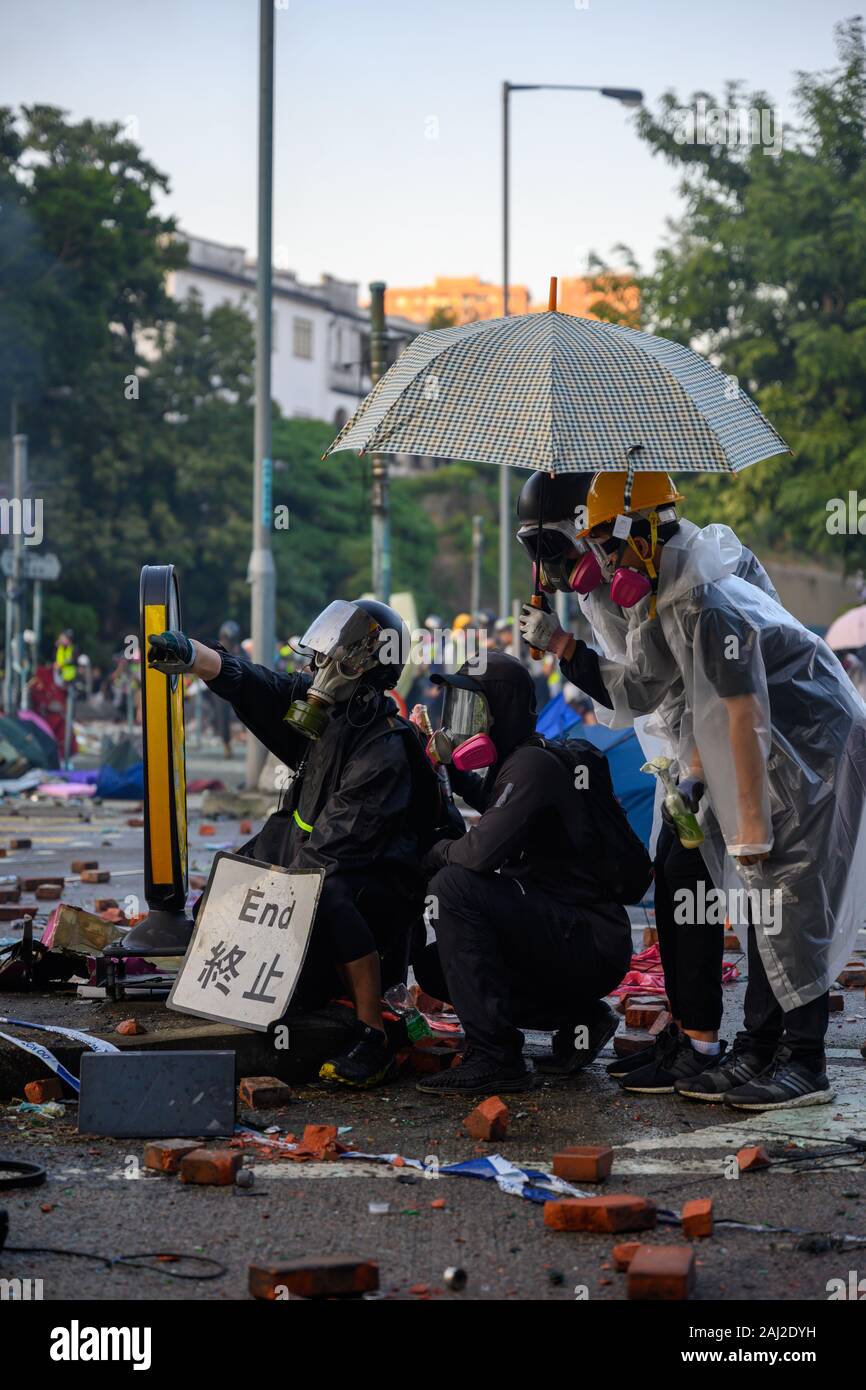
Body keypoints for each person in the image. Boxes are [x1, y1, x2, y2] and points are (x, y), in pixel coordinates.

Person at [524, 470, 866, 1110]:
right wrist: (697, 781)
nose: (602, 562)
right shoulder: (674, 592)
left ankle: (804, 1061)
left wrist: (750, 823)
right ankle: (761, 1047)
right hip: (763, 747)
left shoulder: (705, 601)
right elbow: (662, 690)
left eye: (607, 545)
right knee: (754, 894)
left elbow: (740, 712)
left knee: (786, 896)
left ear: (646, 533)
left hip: (812, 748)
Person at [148, 598, 448, 1089]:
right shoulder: (329, 712)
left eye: (331, 661)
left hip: (372, 898)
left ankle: (373, 1032)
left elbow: (334, 851)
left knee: (321, 893)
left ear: (365, 668)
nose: (316, 671)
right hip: (321, 863)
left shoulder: (384, 748)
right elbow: (259, 684)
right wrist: (196, 656)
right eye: (318, 658)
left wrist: (271, 905)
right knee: (229, 879)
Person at [412, 650, 652, 1096]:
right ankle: (578, 1018)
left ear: (499, 711)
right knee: (435, 966)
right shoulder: (525, 759)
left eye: (473, 709)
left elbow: (479, 853)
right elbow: (498, 806)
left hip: (586, 935)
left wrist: (434, 852)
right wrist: (451, 769)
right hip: (576, 933)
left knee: (454, 887)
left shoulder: (532, 766)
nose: (462, 722)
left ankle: (496, 1057)